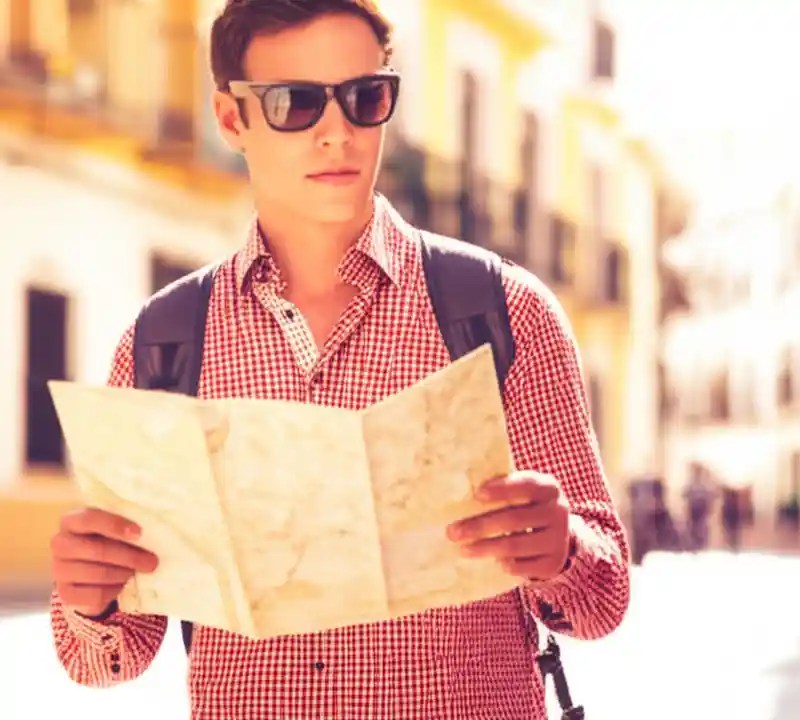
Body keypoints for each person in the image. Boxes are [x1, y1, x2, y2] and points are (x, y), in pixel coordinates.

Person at [44, 2, 629, 717]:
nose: (336, 132)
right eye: (294, 103)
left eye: (364, 97)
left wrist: (563, 549)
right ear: (231, 118)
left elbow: (603, 602)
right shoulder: (163, 342)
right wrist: (90, 597)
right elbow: (110, 656)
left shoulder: (508, 312)